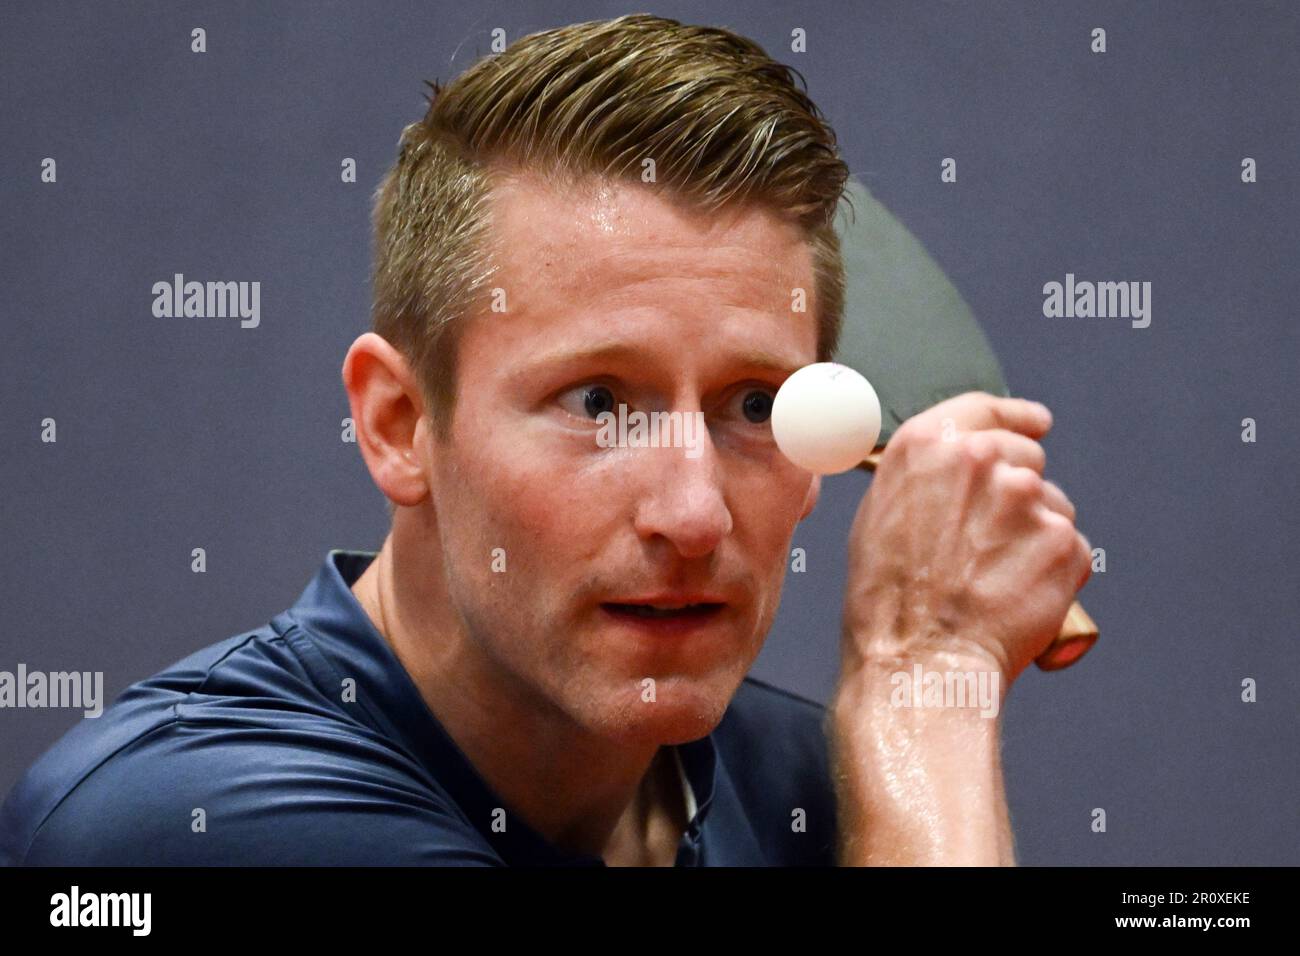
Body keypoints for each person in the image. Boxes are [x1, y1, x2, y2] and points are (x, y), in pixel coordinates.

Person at [0, 13, 1090, 867]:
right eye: (598, 402)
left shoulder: (815, 785)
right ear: (399, 423)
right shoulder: (182, 818)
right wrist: (921, 676)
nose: (694, 511)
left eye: (756, 404)